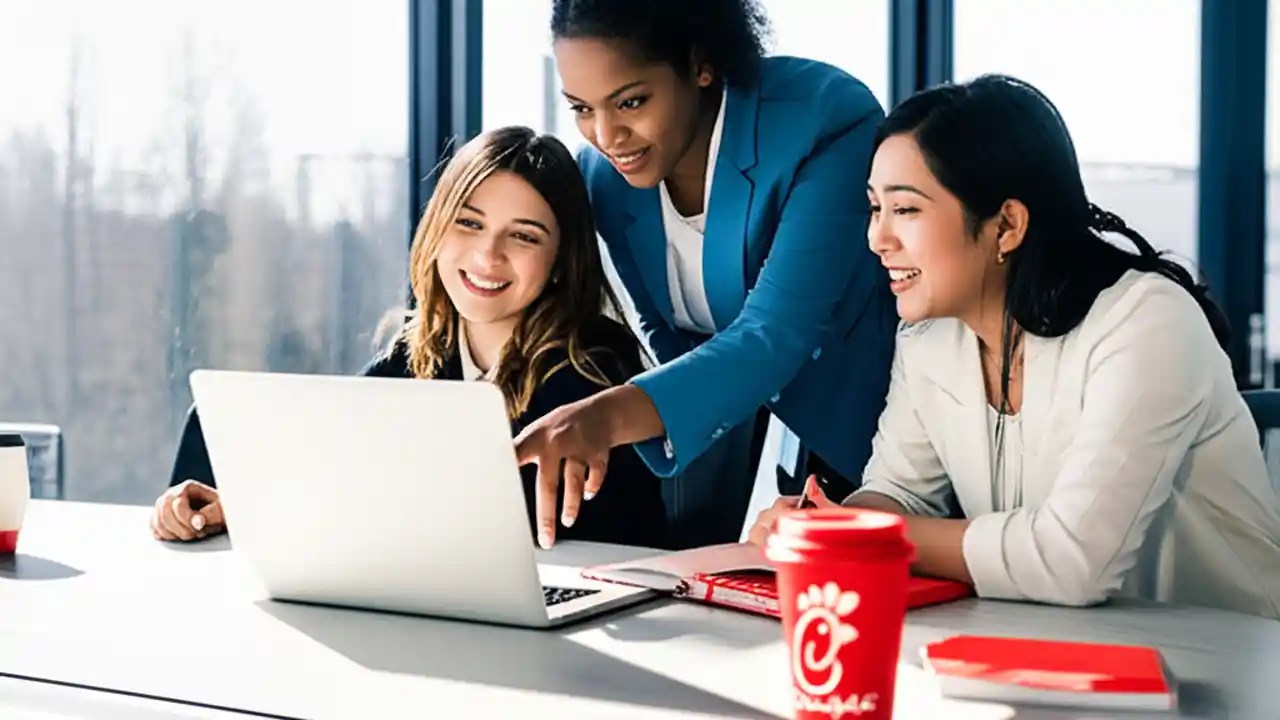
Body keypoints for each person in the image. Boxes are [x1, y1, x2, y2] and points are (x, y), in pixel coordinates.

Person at [749, 75, 1280, 619]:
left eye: (905, 210)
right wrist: (827, 524)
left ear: (1006, 226)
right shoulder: (930, 340)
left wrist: (865, 533)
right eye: (874, 208)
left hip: (1227, 651)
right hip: (1056, 646)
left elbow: (1072, 559)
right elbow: (901, 493)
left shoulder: (1146, 321)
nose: (877, 238)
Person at [150, 126, 669, 550]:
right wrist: (233, 507)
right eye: (469, 224)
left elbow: (611, 551)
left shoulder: (595, 375)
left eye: (523, 236)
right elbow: (333, 467)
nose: (488, 255)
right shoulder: (412, 355)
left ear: (560, 261)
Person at [516, 0, 897, 548]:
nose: (606, 134)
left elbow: (775, 332)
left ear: (701, 64)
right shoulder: (603, 175)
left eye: (630, 101)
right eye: (581, 108)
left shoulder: (822, 120)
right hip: (736, 452)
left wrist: (605, 417)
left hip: (870, 438)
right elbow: (661, 330)